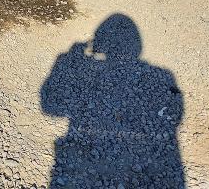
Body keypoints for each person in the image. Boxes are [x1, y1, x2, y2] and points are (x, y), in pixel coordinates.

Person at [41, 14, 185, 188]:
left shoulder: (163, 76)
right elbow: (175, 115)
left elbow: (50, 107)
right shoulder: (163, 76)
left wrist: (67, 59)